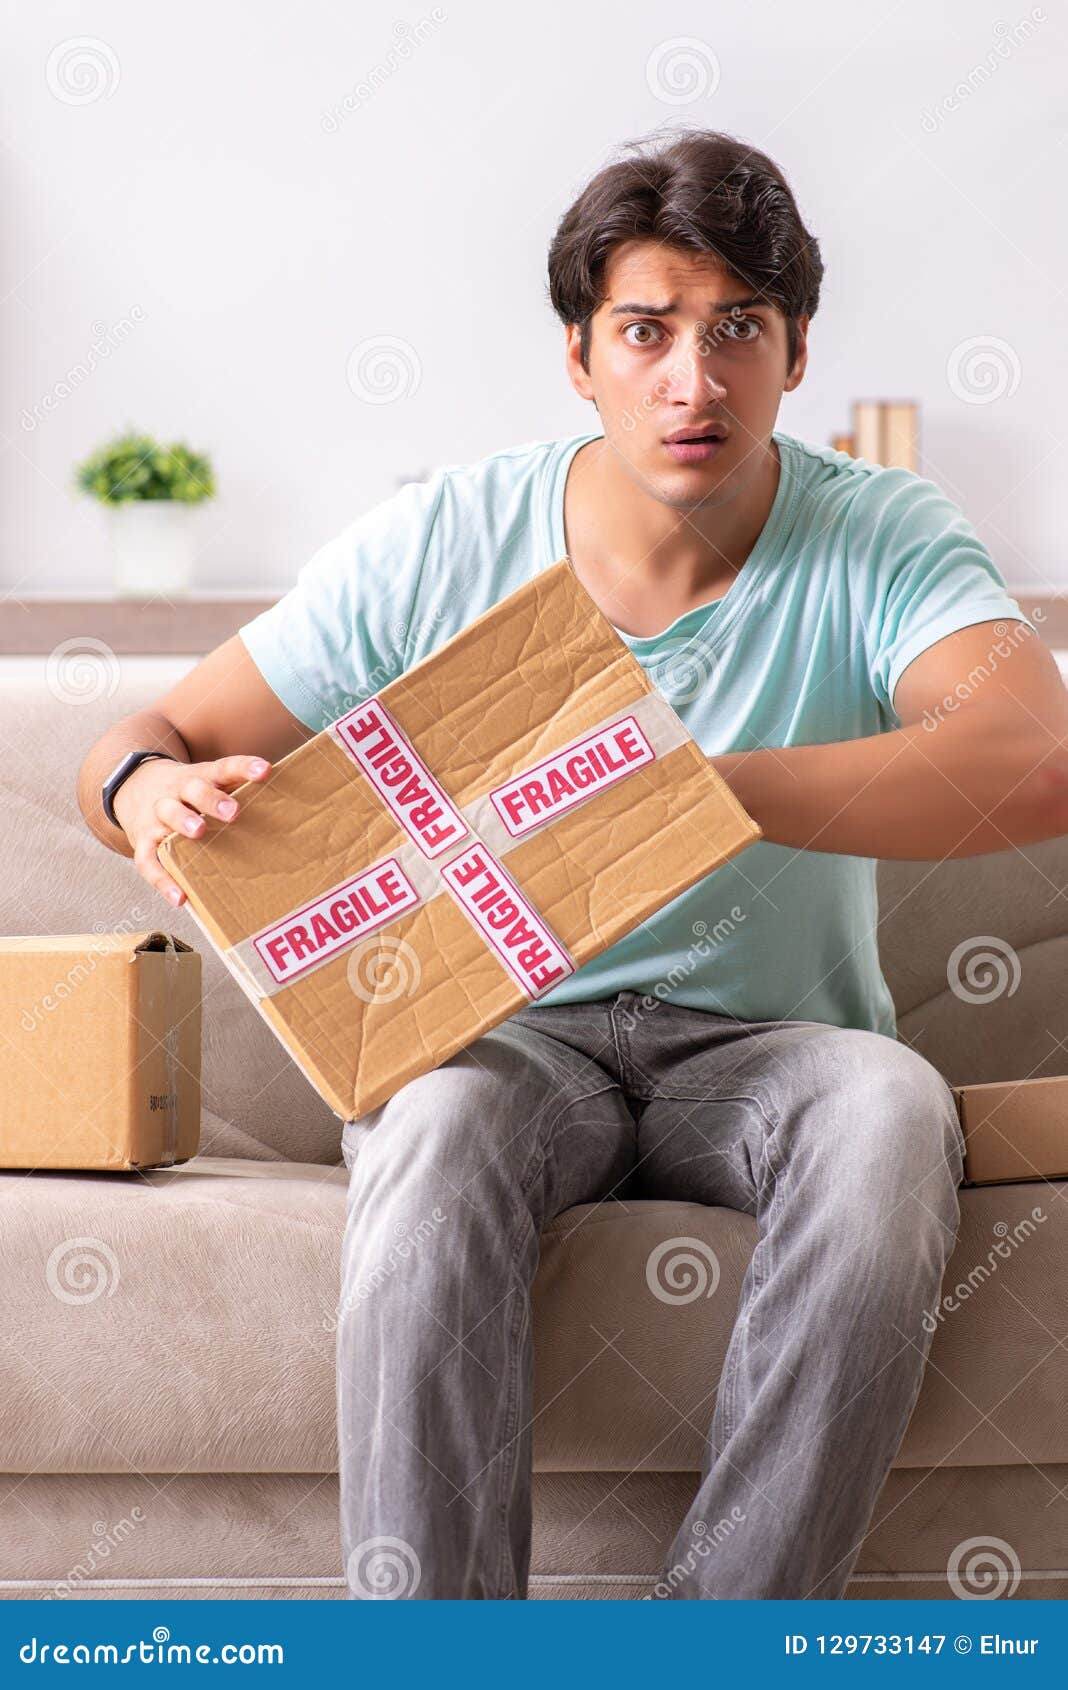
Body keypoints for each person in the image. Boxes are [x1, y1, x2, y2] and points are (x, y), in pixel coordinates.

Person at [78, 129, 1068, 1599]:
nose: (694, 380)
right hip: (510, 1034)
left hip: (777, 1044)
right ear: (580, 357)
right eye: (648, 331)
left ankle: (712, 1646)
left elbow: (1033, 757)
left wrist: (693, 792)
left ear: (798, 356)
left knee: (892, 1108)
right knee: (428, 1130)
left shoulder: (882, 534)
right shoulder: (444, 539)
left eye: (740, 329)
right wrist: (150, 790)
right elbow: (139, 741)